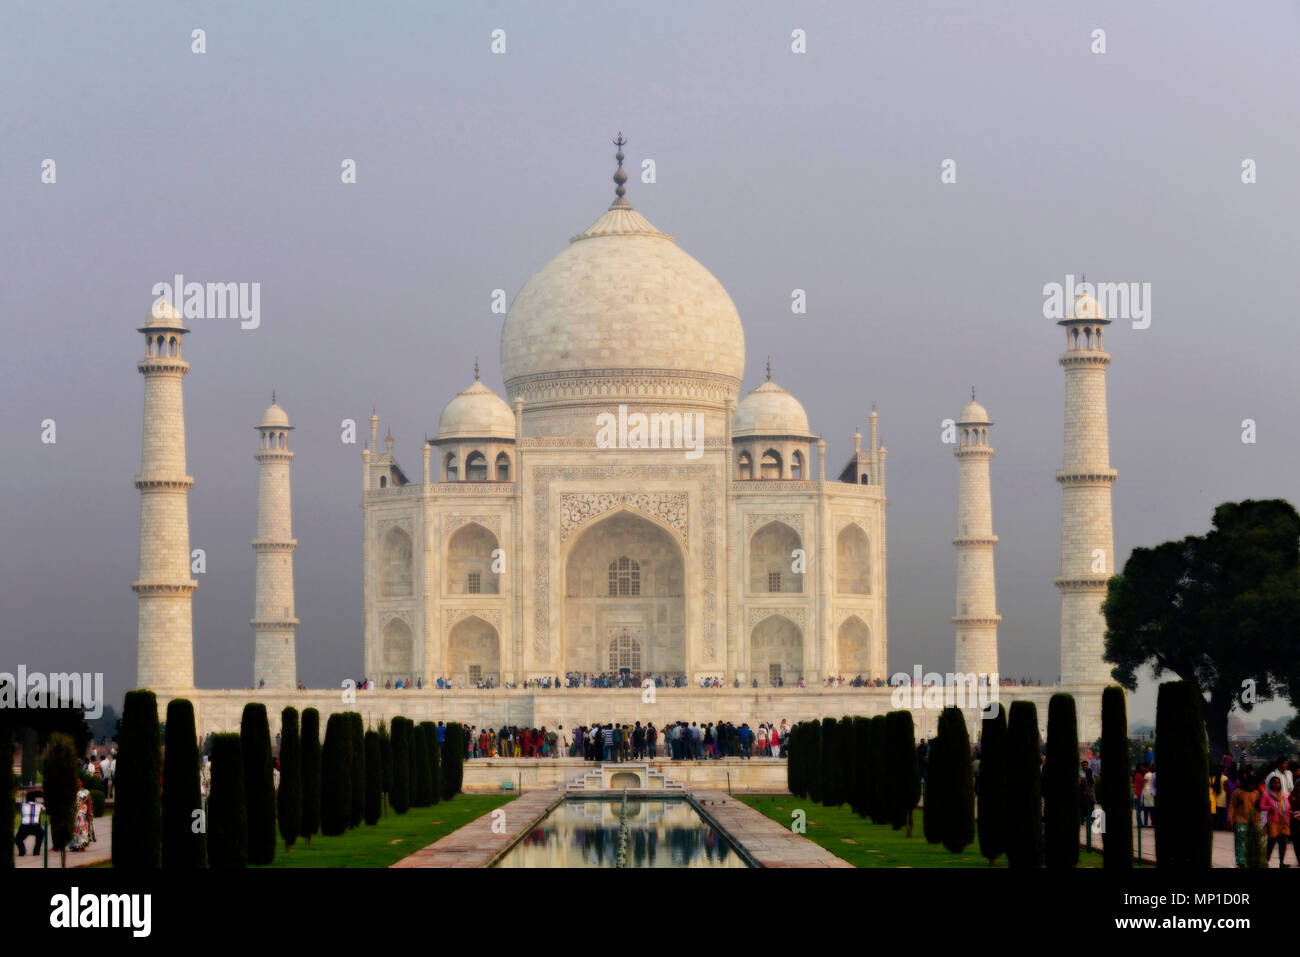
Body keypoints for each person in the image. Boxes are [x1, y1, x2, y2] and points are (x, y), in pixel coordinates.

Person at [1227, 771, 1260, 868]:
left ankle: (1249, 859)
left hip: (1252, 821)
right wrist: (1230, 819)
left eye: (1254, 784)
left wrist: (1257, 818)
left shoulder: (1256, 793)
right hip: (1239, 820)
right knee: (1240, 841)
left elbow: (1258, 808)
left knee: (1250, 841)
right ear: (1246, 782)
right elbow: (1232, 806)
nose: (1252, 785)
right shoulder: (1238, 792)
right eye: (1251, 783)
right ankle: (1240, 861)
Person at [1260, 775, 1290, 867]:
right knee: (1271, 842)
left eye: (1278, 782)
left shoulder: (1283, 795)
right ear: (1270, 784)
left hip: (1284, 821)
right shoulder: (1266, 794)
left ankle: (1281, 863)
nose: (1276, 784)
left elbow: (1288, 806)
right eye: (1274, 782)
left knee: (1283, 842)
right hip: (1273, 821)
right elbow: (1261, 806)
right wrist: (1269, 807)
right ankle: (1266, 860)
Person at [14, 790, 44, 856]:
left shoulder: (22, 805)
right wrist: (37, 802)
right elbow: (44, 809)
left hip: (24, 827)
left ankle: (22, 850)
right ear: (34, 798)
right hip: (35, 827)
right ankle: (36, 851)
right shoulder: (39, 805)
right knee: (41, 833)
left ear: (27, 798)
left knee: (17, 840)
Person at [68, 779, 94, 851]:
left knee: (82, 829)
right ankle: (74, 846)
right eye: (76, 782)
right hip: (74, 814)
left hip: (82, 814)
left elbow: (89, 803)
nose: (77, 783)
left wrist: (89, 813)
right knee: (74, 829)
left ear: (82, 783)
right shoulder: (72, 792)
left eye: (79, 782)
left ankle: (82, 845)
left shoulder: (85, 792)